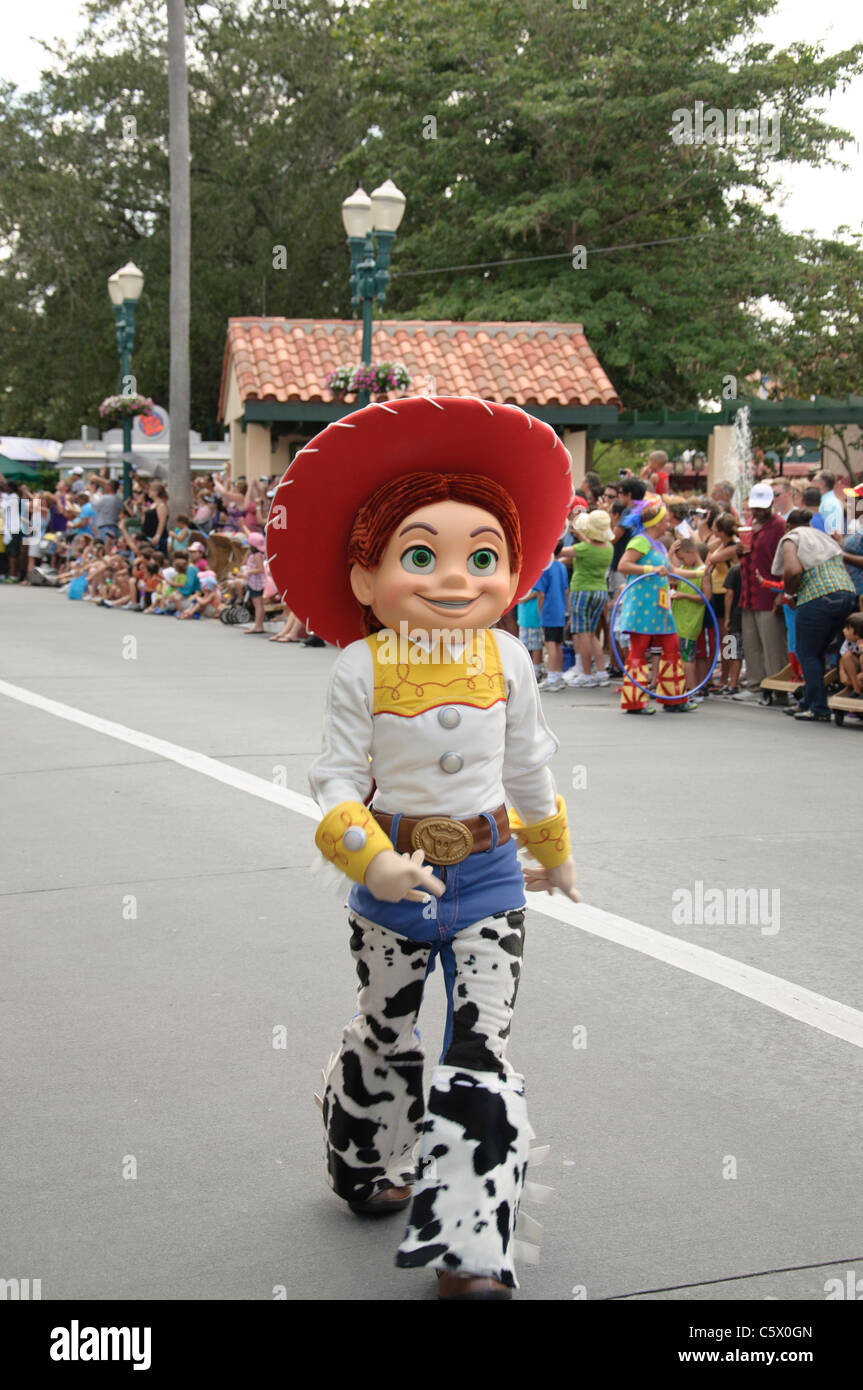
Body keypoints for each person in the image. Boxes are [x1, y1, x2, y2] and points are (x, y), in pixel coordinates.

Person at [267, 395, 578, 1300]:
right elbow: (331, 780)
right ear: (366, 580)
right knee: (385, 1029)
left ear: (512, 572)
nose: (454, 578)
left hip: (488, 877)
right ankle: (366, 1154)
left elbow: (529, 764)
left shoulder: (510, 659)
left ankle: (471, 1245)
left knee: (479, 1048)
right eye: (420, 555)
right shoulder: (358, 667)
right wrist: (372, 861)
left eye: (482, 557)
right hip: (392, 885)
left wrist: (552, 851)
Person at [771, 509, 857, 721]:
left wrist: (790, 593)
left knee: (807, 652)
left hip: (818, 596)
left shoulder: (791, 538)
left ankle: (818, 708)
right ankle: (808, 701)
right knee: (828, 651)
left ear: (788, 526)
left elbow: (793, 570)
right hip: (847, 593)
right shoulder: (823, 537)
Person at [616, 495, 693, 713]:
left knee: (672, 647)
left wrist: (698, 573)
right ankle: (634, 702)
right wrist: (650, 570)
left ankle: (674, 699)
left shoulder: (658, 545)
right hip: (642, 605)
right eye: (666, 520)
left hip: (660, 606)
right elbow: (624, 565)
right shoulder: (640, 541)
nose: (668, 524)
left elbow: (671, 572)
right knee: (639, 650)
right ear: (657, 523)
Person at [731, 483, 788, 701]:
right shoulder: (748, 524)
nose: (758, 512)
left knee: (773, 645)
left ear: (772, 504)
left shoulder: (779, 526)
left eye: (762, 507)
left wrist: (781, 594)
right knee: (752, 643)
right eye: (755, 507)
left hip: (769, 593)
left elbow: (784, 561)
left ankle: (779, 689)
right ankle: (755, 685)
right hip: (749, 593)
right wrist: (738, 550)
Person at [564, 507, 613, 687]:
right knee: (592, 634)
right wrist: (579, 533)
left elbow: (560, 552)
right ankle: (601, 672)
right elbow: (592, 543)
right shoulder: (608, 548)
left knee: (583, 635)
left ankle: (586, 674)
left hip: (582, 590)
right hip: (600, 591)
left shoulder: (583, 548)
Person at [528, 540, 569, 691]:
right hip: (560, 609)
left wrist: (540, 612)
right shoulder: (562, 566)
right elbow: (566, 591)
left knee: (550, 643)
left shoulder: (546, 567)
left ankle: (552, 677)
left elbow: (541, 593)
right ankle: (557, 675)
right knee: (558, 644)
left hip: (549, 609)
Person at [242, 531, 268, 633]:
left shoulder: (257, 555)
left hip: (256, 583)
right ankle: (258, 625)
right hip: (253, 582)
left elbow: (260, 569)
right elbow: (244, 562)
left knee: (258, 604)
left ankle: (258, 625)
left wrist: (249, 572)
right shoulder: (253, 554)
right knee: (257, 604)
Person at [837, 613, 863, 696]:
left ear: (858, 633)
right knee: (847, 656)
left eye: (848, 629)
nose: (843, 630)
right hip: (857, 671)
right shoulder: (848, 642)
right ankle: (857, 690)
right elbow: (843, 657)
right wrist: (842, 672)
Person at [815, 471, 844, 536]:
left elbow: (833, 532)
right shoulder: (829, 501)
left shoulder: (829, 503)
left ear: (822, 483)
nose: (812, 483)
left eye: (815, 481)